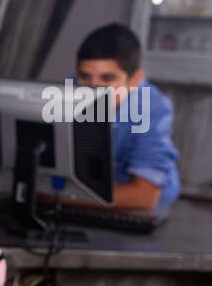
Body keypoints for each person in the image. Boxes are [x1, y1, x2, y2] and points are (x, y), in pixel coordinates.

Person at [72, 22, 180, 213]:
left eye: (107, 79)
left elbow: (144, 196)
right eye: (84, 77)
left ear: (135, 80)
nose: (92, 90)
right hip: (95, 196)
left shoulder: (154, 109)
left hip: (146, 209)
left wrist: (59, 197)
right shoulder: (69, 91)